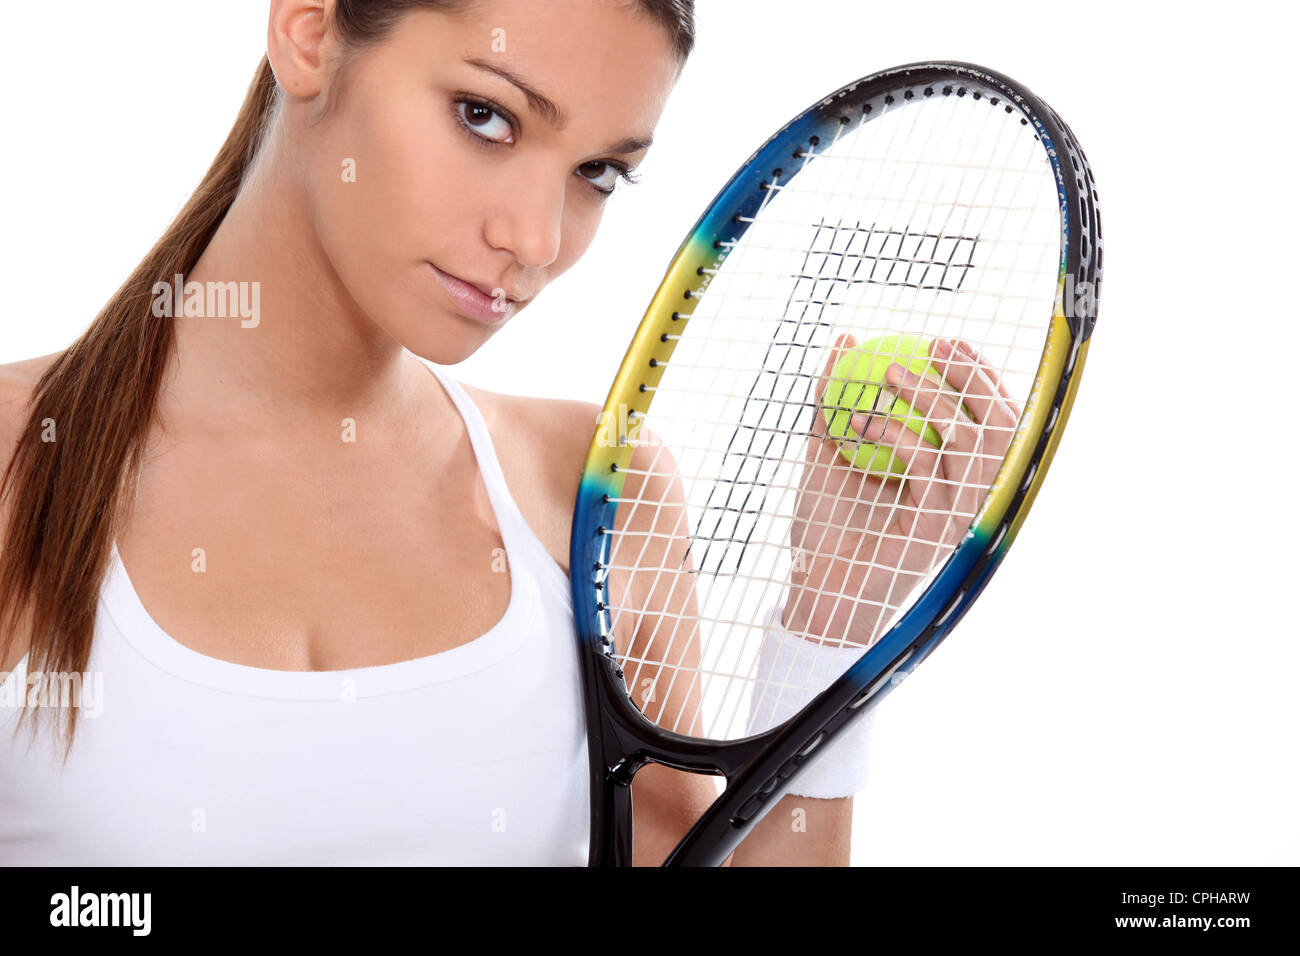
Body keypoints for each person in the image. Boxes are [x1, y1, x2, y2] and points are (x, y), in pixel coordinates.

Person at [0, 0, 860, 865]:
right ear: (308, 31)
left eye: (596, 171)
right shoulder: (17, 456)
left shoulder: (596, 494)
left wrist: (826, 621)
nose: (535, 237)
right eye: (485, 117)